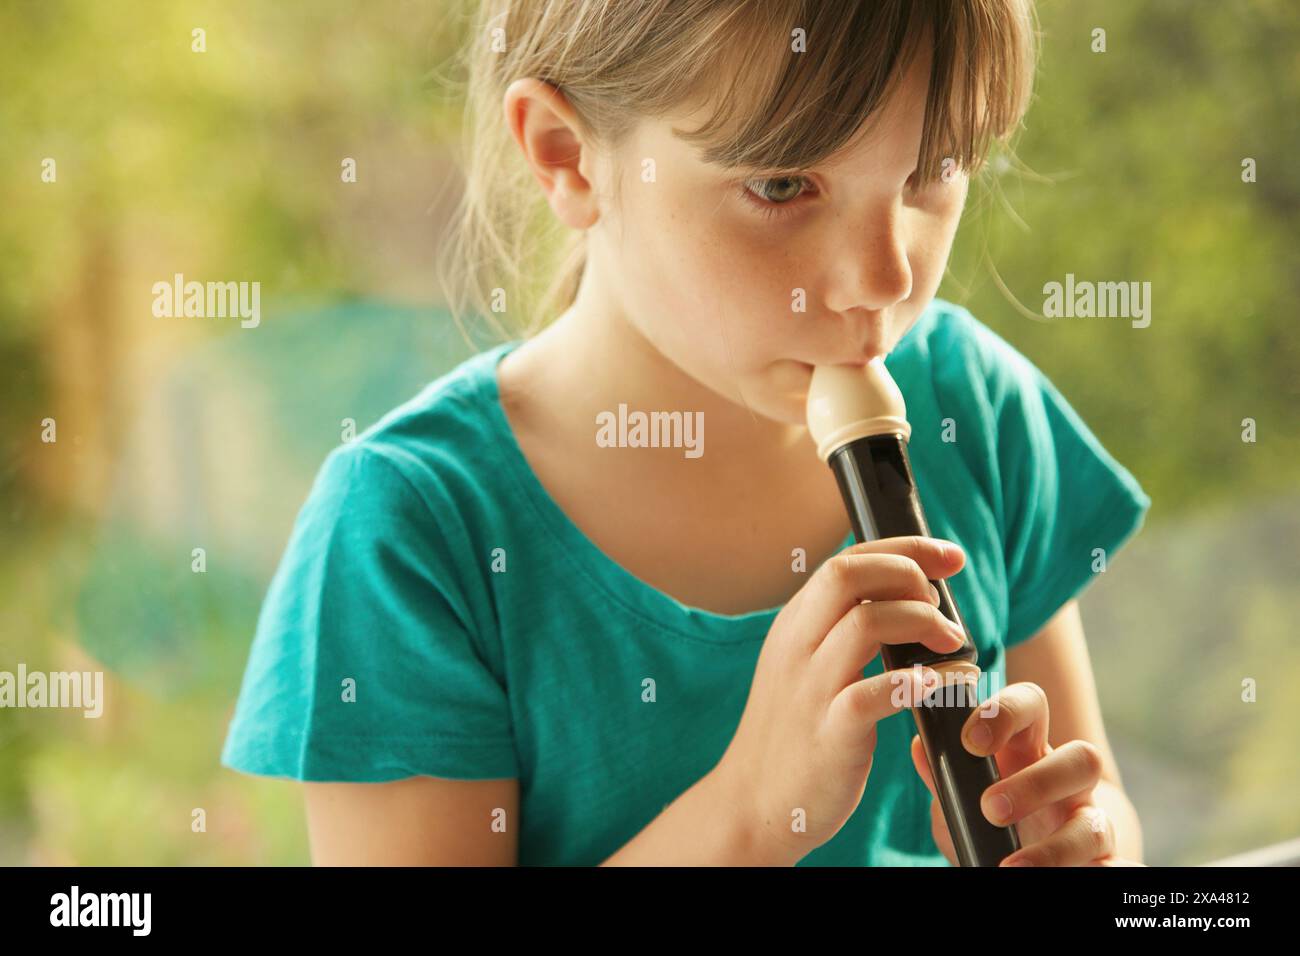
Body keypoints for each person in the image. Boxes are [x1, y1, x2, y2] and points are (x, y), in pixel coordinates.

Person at [221, 0, 1150, 866]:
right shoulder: (411, 531)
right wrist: (748, 812)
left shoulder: (972, 404)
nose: (882, 279)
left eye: (933, 171)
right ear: (568, 156)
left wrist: (1075, 835)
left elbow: (1097, 793)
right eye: (784, 184)